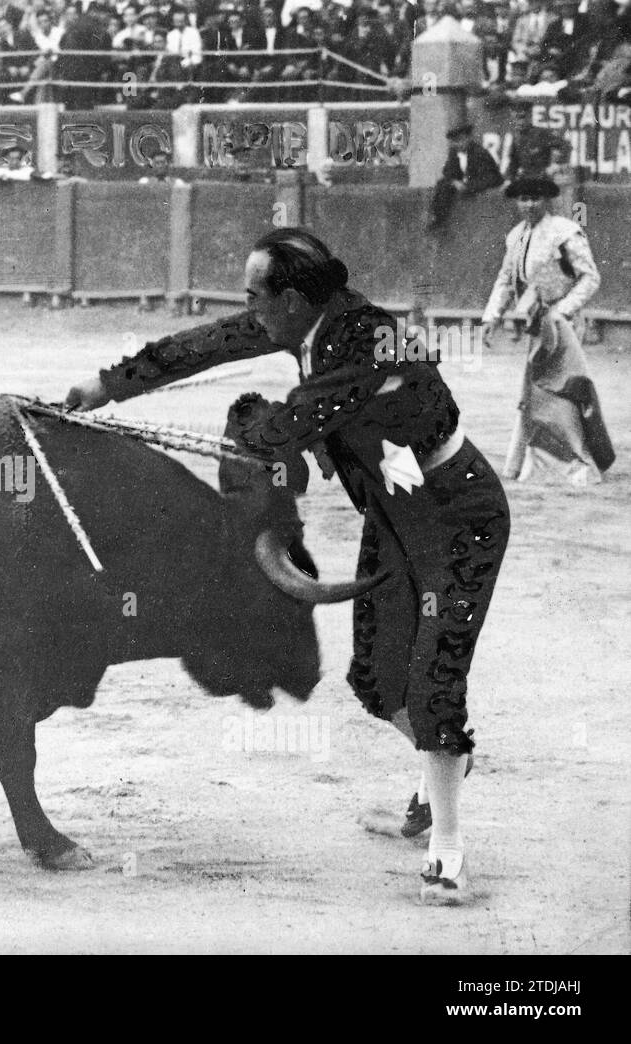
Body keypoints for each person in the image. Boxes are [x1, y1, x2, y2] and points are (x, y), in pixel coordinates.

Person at [65, 229, 511, 905]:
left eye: (256, 297)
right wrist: (107, 385)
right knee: (374, 680)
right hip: (394, 514)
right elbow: (210, 343)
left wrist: (243, 429)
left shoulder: (368, 344)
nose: (250, 312)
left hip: (456, 516)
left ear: (295, 299)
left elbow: (290, 427)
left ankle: (447, 852)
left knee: (431, 678)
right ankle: (443, 763)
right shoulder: (306, 320)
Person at [482, 176, 614, 485]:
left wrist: (562, 312)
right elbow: (505, 279)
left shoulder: (565, 231)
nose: (528, 204)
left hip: (563, 324)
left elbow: (589, 277)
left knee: (562, 389)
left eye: (534, 198)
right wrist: (491, 317)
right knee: (538, 390)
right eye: (522, 199)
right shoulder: (515, 235)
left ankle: (572, 464)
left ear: (547, 200)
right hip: (537, 323)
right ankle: (537, 461)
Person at [427, 122, 503, 231]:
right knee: (442, 184)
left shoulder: (479, 152)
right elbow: (447, 172)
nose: (458, 144)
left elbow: (492, 178)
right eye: (455, 141)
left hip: (478, 184)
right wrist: (454, 182)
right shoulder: (454, 152)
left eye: (461, 140)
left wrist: (467, 186)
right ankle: (438, 218)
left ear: (468, 138)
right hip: (463, 183)